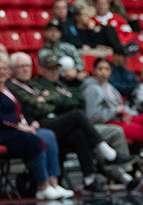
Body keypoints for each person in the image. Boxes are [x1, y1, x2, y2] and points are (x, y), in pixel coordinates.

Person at [7, 50, 127, 191]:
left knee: (78, 134)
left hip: (51, 120)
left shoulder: (33, 84)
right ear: (12, 69)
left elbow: (77, 99)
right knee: (77, 115)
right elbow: (37, 106)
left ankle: (89, 179)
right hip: (38, 123)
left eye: (27, 66)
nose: (26, 69)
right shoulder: (19, 85)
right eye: (21, 67)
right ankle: (104, 150)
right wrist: (48, 102)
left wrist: (48, 100)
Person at [0, 53, 70, 200]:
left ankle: (54, 183)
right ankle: (42, 186)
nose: (2, 72)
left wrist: (31, 121)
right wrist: (18, 126)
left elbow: (22, 111)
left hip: (19, 129)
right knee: (34, 140)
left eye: (4, 69)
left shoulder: (8, 90)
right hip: (0, 133)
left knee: (49, 135)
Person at [82, 56, 143, 160]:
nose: (103, 72)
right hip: (107, 123)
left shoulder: (111, 88)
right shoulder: (92, 89)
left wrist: (125, 113)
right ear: (94, 71)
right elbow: (92, 116)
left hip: (120, 119)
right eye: (100, 69)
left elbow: (121, 107)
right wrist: (115, 111)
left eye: (106, 69)